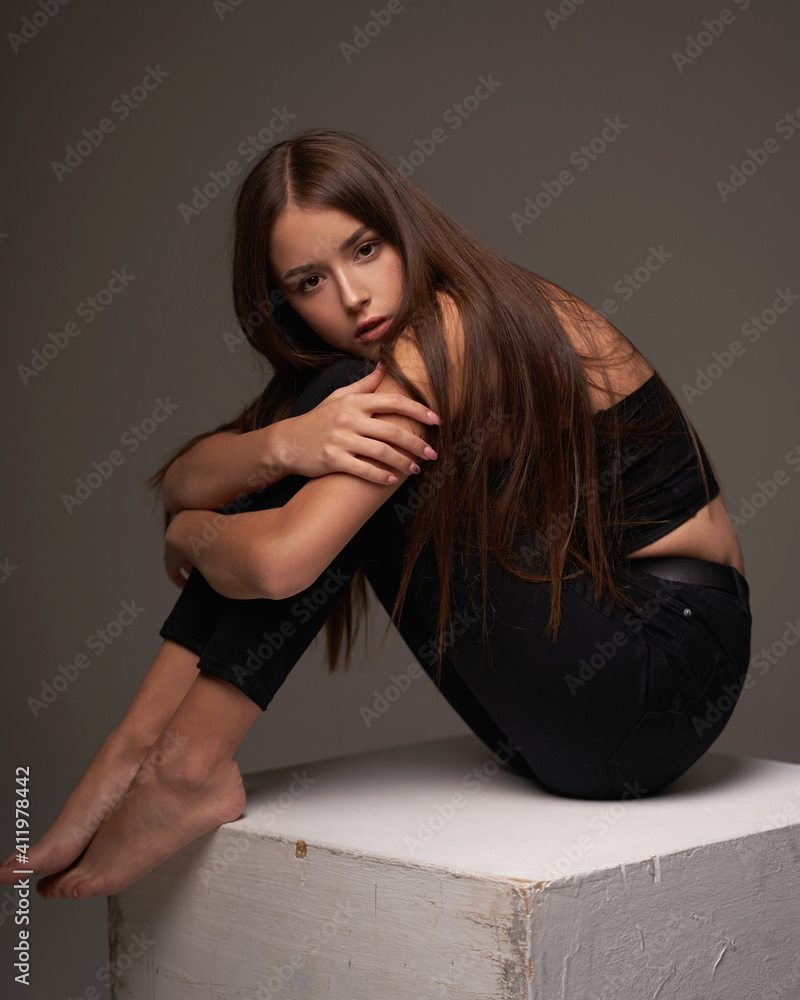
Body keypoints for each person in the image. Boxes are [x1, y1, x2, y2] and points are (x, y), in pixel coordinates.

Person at [1, 128, 751, 901]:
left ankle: (182, 765)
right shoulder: (364, 380)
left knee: (358, 447)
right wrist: (287, 443)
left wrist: (193, 533)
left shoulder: (457, 332)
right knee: (339, 430)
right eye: (308, 281)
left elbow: (276, 560)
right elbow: (190, 478)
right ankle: (139, 751)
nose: (352, 296)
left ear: (404, 233)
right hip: (557, 725)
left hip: (657, 674)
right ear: (280, 302)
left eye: (364, 251)